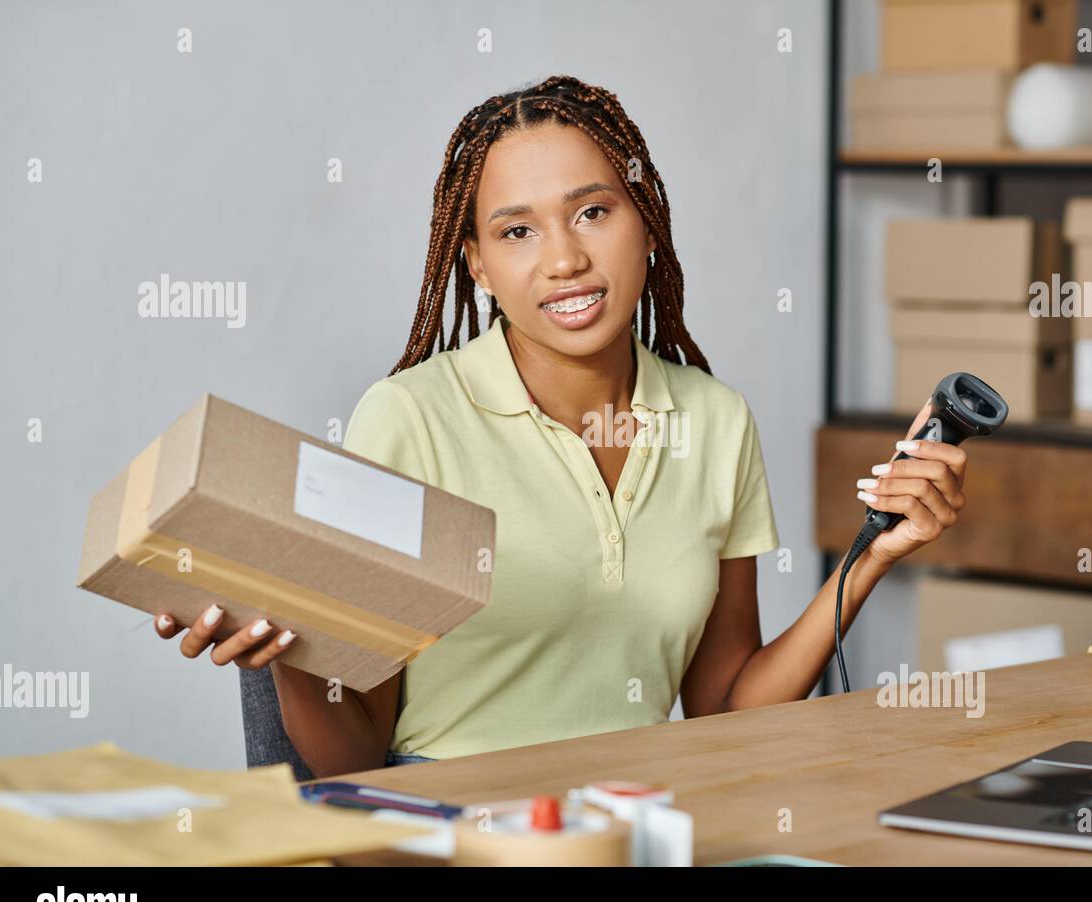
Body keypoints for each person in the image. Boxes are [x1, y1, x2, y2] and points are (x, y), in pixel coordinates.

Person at [153, 75, 968, 778]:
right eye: (516, 230)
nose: (564, 259)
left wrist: (874, 554)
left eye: (592, 212)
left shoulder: (715, 421)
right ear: (475, 261)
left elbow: (723, 710)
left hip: (645, 816)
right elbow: (356, 765)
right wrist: (292, 661)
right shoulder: (408, 421)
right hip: (459, 826)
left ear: (644, 221)